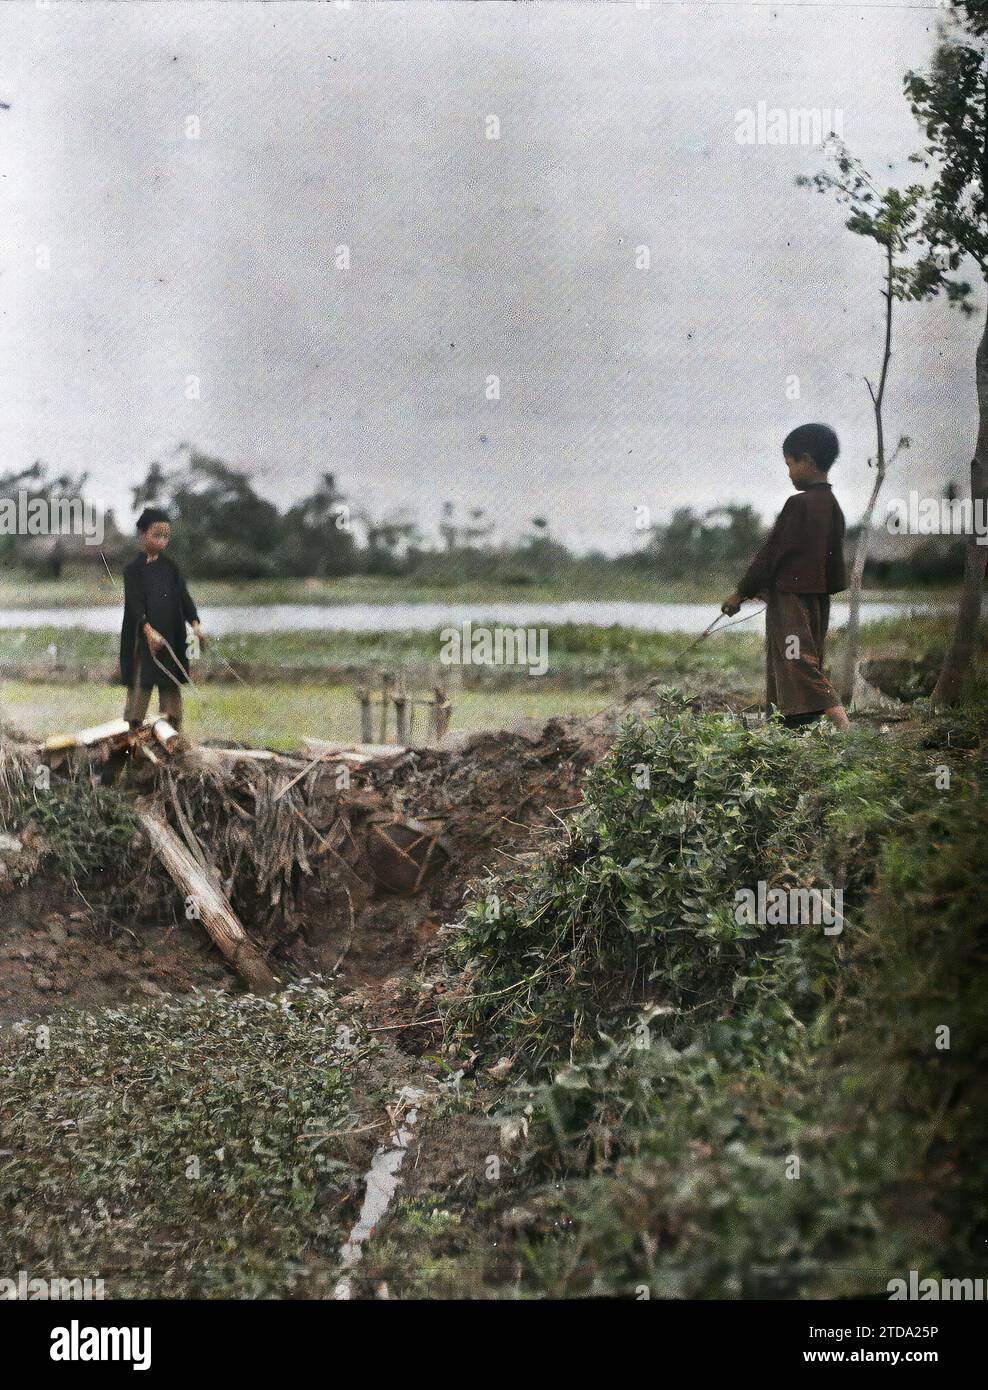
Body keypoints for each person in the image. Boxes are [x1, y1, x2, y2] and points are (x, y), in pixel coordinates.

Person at [721, 423, 850, 731]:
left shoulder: (798, 505)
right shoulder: (833, 506)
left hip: (790, 600)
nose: (789, 473)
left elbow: (770, 554)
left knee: (797, 660)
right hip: (816, 600)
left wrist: (740, 593)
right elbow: (832, 564)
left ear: (805, 460)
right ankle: (788, 728)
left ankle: (844, 727)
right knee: (795, 657)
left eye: (790, 465)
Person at [120, 508, 204, 731]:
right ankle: (133, 736)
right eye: (157, 535)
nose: (162, 541)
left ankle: (173, 735)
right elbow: (135, 604)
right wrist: (148, 630)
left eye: (166, 536)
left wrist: (195, 624)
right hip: (143, 639)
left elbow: (184, 597)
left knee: (171, 687)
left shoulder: (171, 568)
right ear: (142, 533)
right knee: (140, 687)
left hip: (170, 637)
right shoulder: (133, 570)